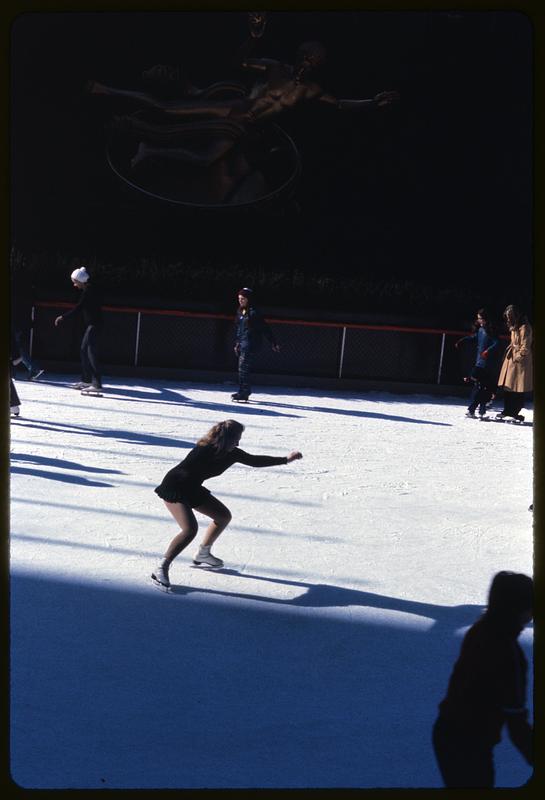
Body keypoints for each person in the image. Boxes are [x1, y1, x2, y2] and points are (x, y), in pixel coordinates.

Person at [152, 419, 302, 589]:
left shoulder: (233, 453)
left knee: (222, 516)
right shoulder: (204, 449)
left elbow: (254, 461)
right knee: (189, 529)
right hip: (175, 487)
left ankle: (203, 553)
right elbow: (186, 471)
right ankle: (161, 568)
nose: (238, 442)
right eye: (236, 438)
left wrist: (286, 459)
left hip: (192, 487)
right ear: (225, 438)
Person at [432, 571, 533, 788]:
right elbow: (516, 722)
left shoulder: (479, 630)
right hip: (471, 745)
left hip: (446, 733)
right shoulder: (510, 655)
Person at [54, 267, 103, 393]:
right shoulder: (88, 290)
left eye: (75, 281)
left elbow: (78, 308)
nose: (74, 284)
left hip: (95, 325)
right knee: (83, 350)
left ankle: (97, 384)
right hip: (92, 325)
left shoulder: (89, 292)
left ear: (81, 281)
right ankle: (86, 380)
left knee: (91, 353)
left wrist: (63, 317)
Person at [232, 287, 279, 401]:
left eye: (243, 298)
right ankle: (242, 390)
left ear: (249, 299)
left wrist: (273, 342)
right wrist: (237, 342)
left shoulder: (254, 312)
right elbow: (239, 328)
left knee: (244, 368)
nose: (241, 300)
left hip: (251, 343)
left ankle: (244, 392)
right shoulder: (241, 311)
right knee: (241, 368)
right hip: (243, 343)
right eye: (239, 298)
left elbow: (265, 328)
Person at [455, 308, 500, 418]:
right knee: (481, 386)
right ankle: (480, 409)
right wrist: (462, 340)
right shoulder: (481, 330)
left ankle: (476, 409)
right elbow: (473, 338)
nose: (478, 320)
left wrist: (487, 351)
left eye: (480, 318)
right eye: (478, 318)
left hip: (487, 364)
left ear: (485, 319)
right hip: (480, 362)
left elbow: (496, 343)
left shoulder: (491, 330)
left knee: (481, 386)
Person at [496, 305, 533, 422]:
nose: (507, 320)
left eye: (509, 317)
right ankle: (507, 410)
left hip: (519, 361)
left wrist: (518, 357)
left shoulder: (525, 328)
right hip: (511, 360)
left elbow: (525, 347)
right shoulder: (514, 328)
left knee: (517, 387)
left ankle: (515, 412)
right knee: (508, 387)